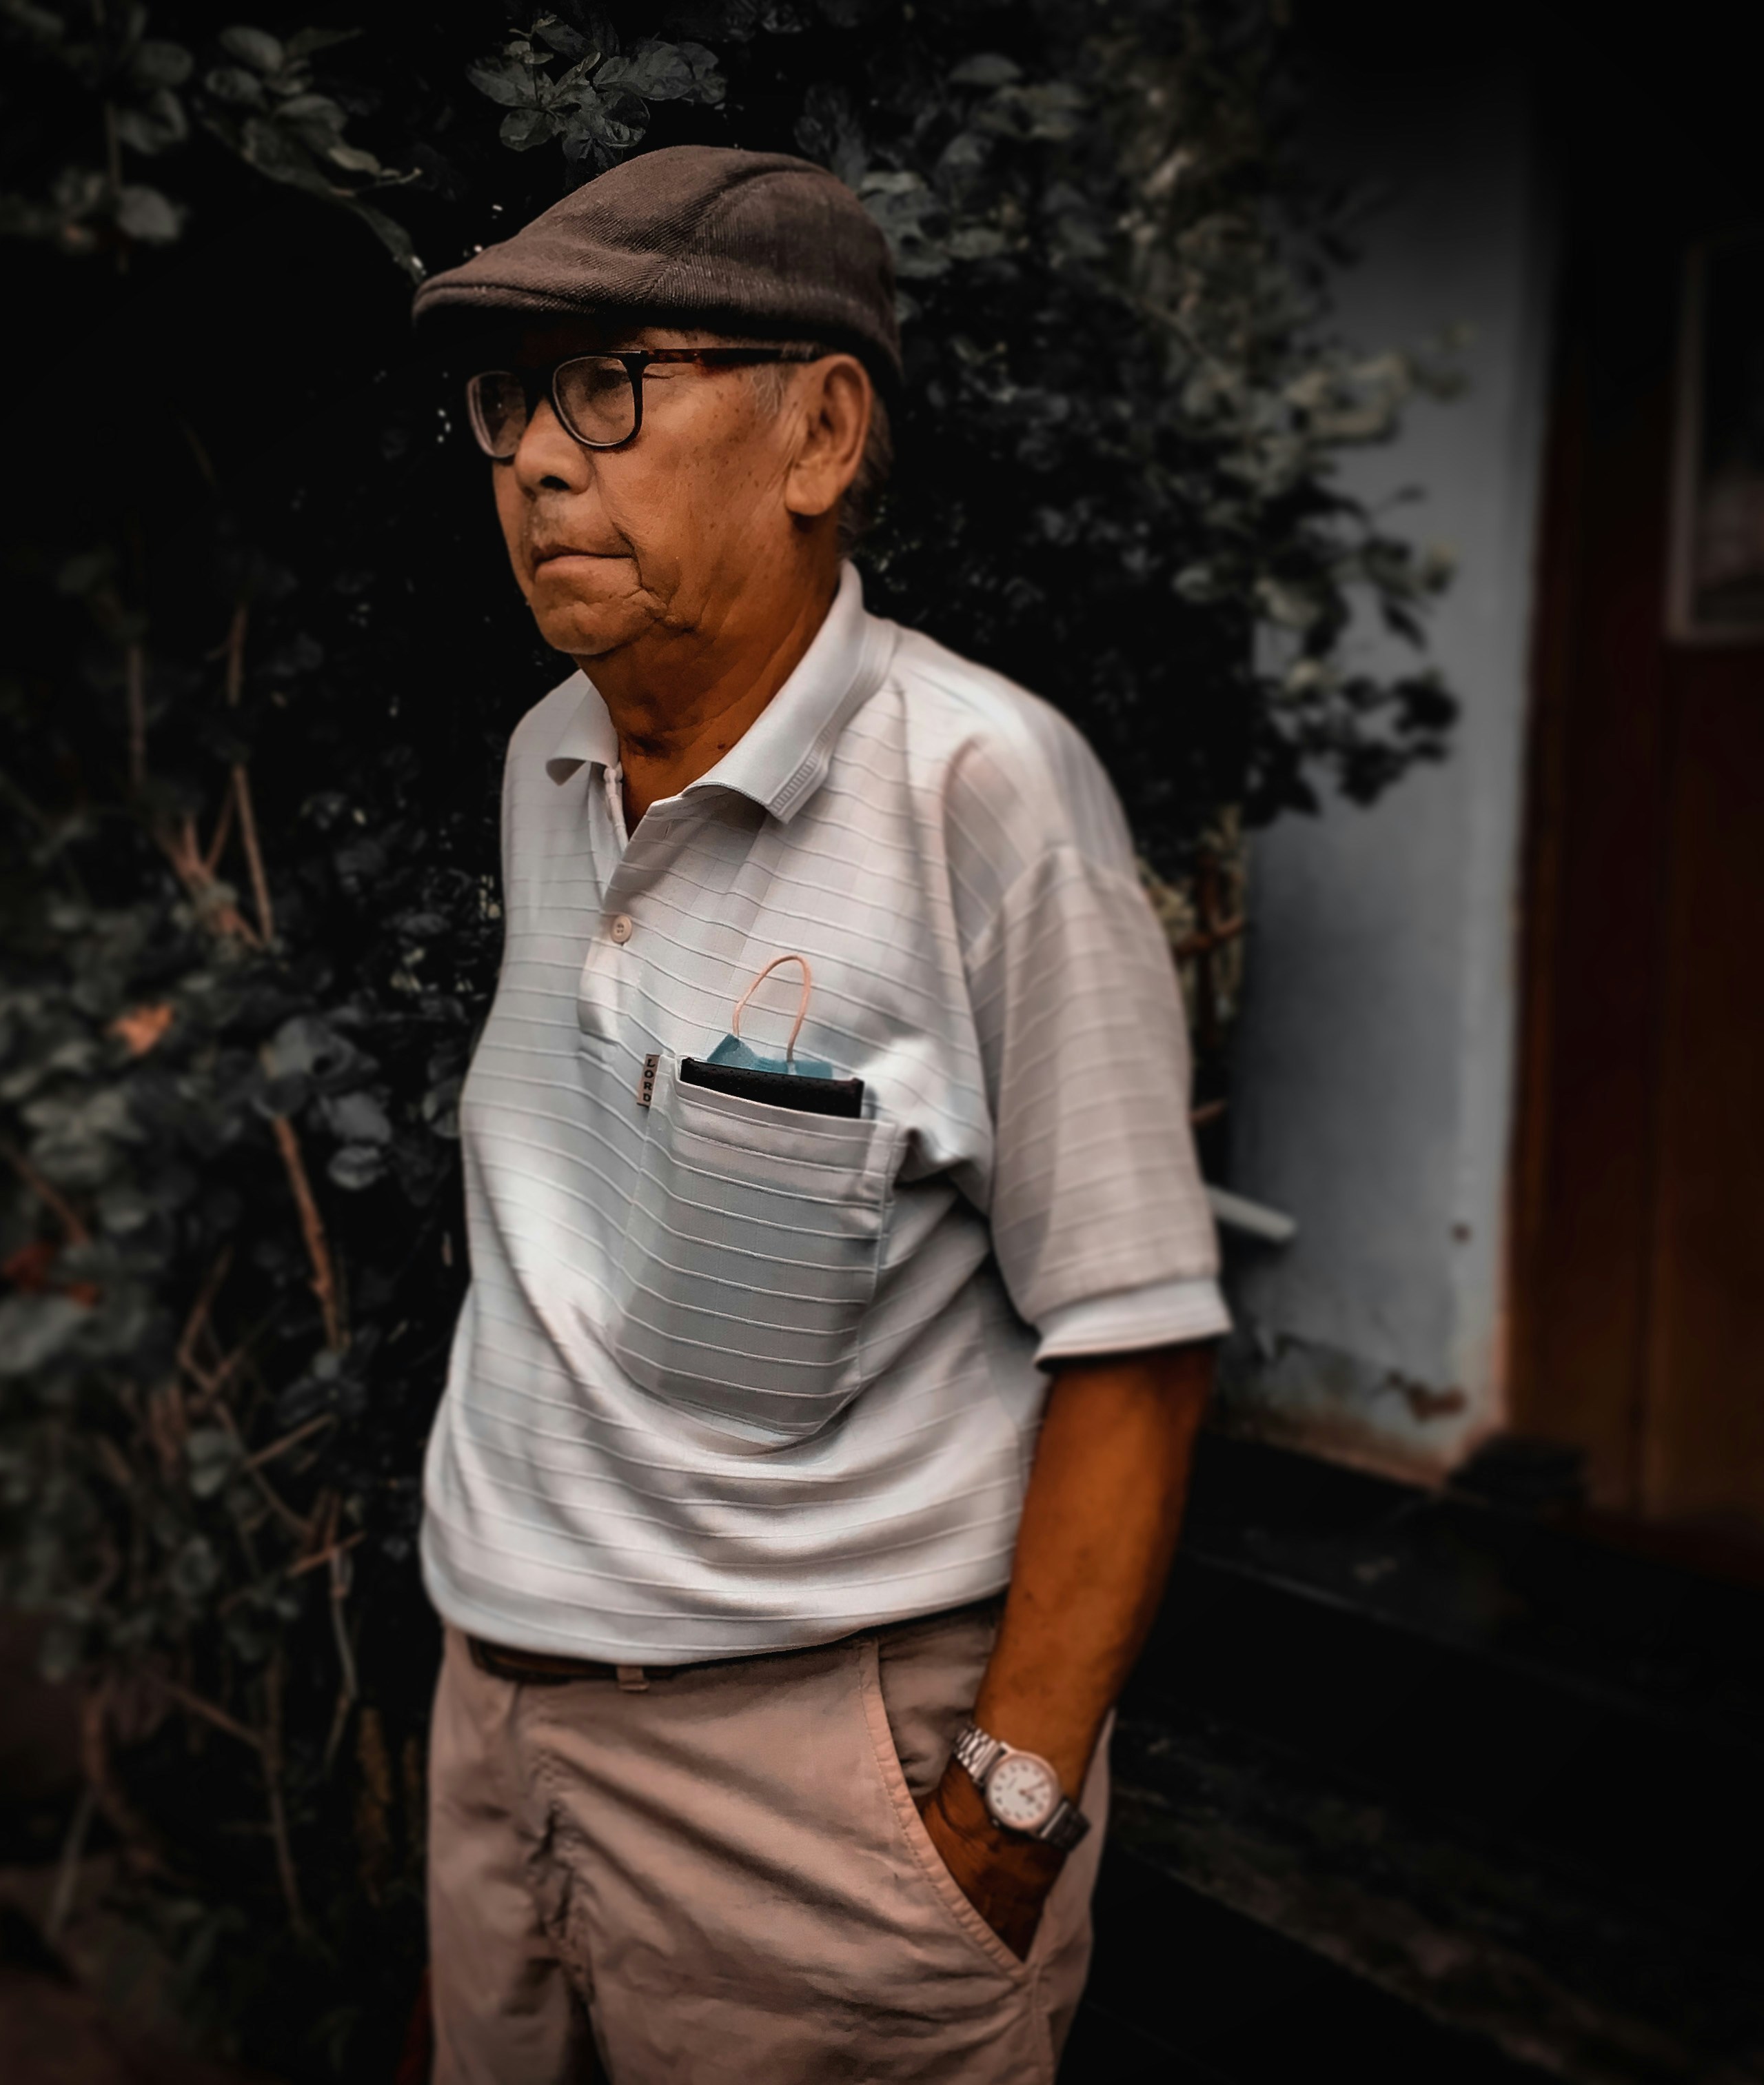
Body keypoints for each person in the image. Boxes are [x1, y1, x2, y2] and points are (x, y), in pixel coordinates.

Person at [408, 145, 1230, 2084]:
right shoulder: (549, 756)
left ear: (821, 433)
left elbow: (1135, 1343)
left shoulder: (983, 795)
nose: (536, 458)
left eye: (609, 384)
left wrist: (1006, 1814)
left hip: (816, 1786)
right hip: (497, 1720)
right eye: (509, 400)